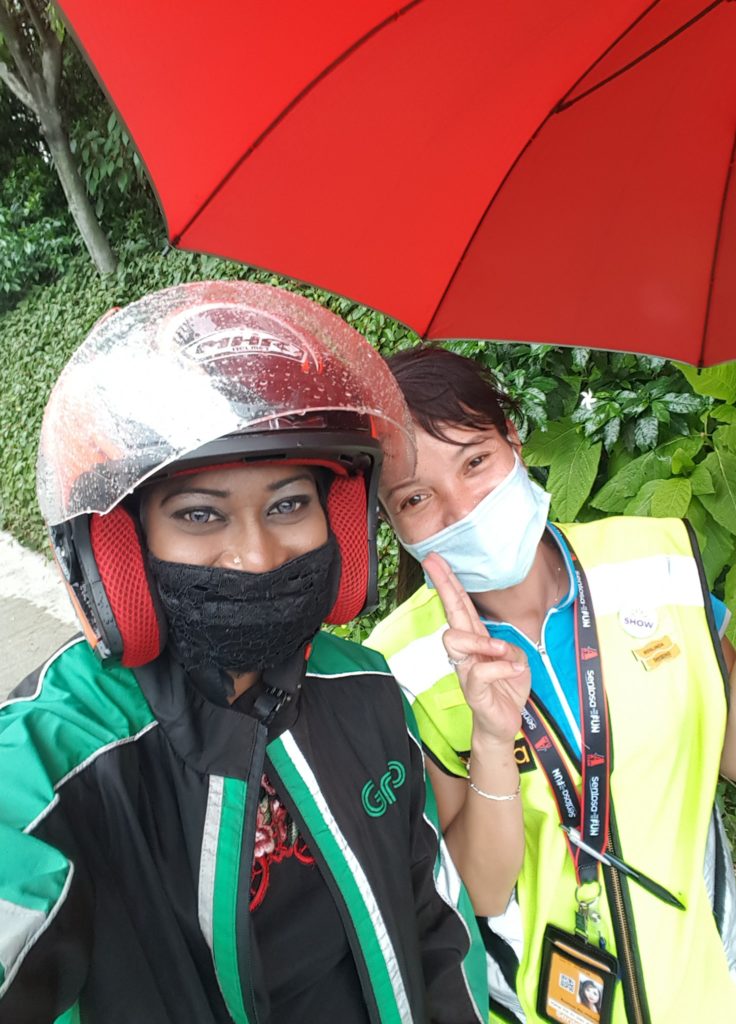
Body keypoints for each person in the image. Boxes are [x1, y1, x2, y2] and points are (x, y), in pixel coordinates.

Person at [0, 285, 489, 1024]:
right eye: (201, 514)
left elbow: (436, 928)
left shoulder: (366, 692)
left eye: (289, 504)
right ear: (120, 546)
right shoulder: (57, 759)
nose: (257, 555)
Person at [366, 345, 736, 1024]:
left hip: (721, 991)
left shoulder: (656, 556)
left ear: (514, 441)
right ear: (391, 521)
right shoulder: (401, 667)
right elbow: (479, 893)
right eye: (415, 498)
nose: (460, 509)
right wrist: (493, 739)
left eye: (474, 462)